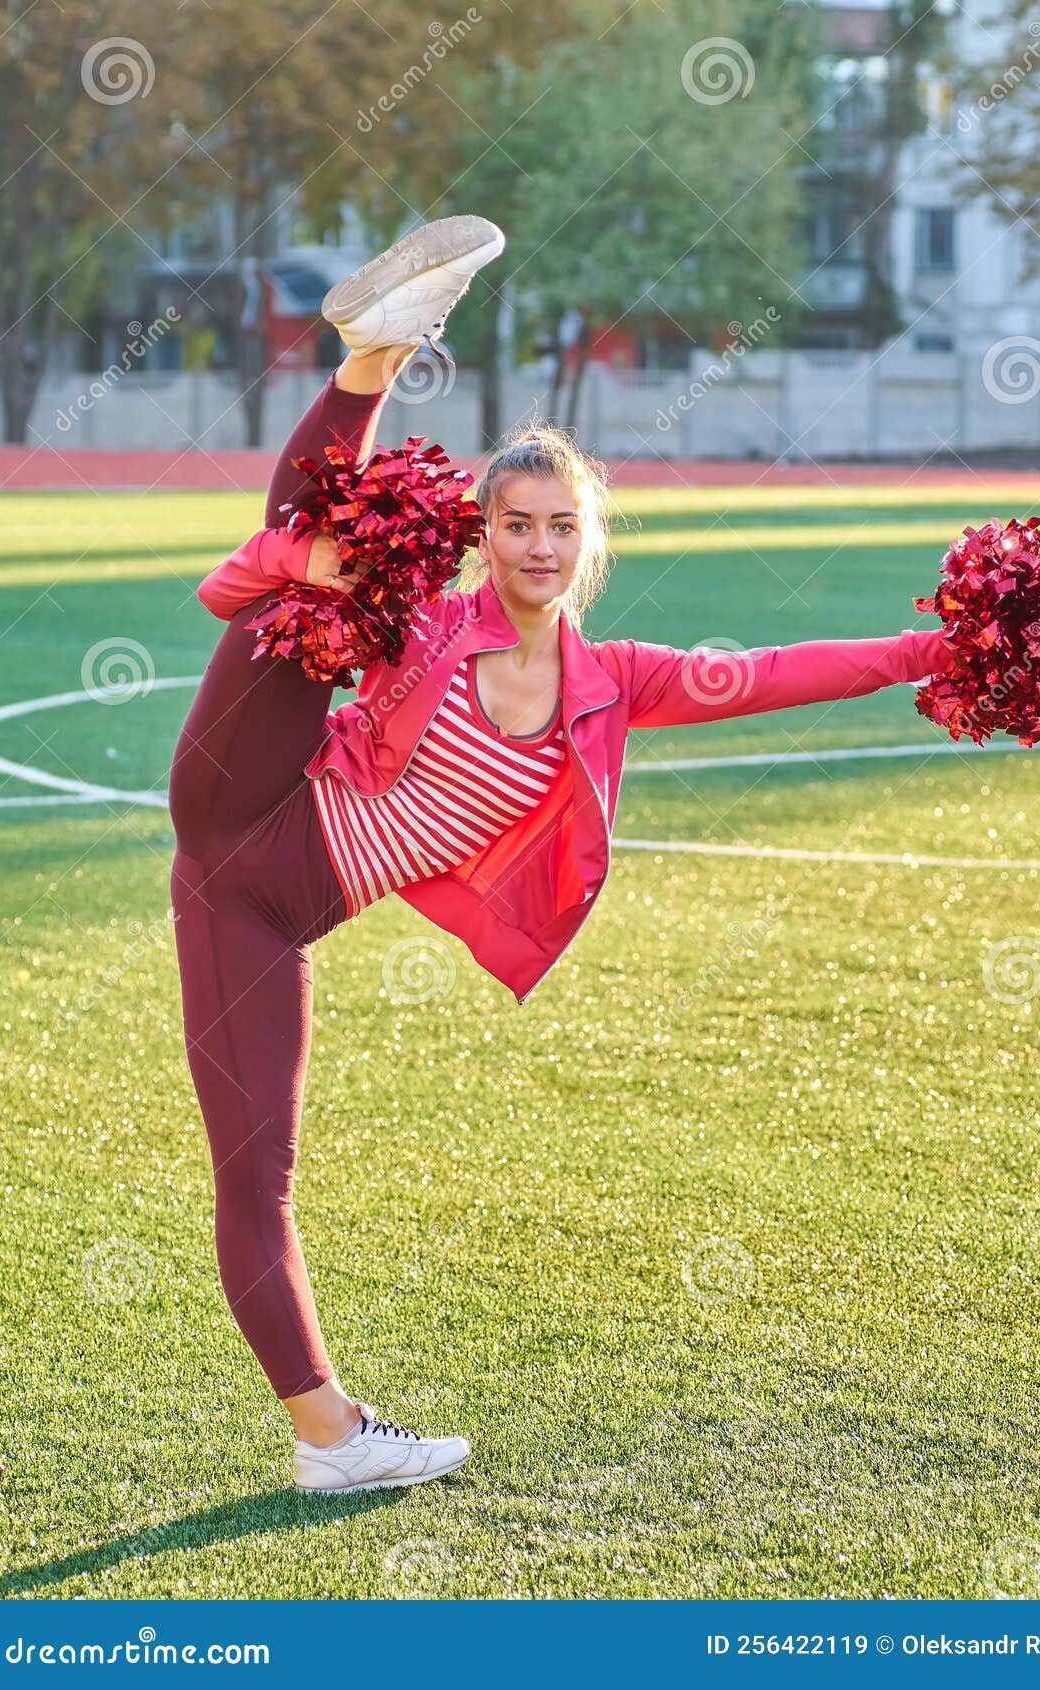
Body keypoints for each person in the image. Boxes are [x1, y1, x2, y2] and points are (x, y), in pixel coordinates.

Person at [167, 214, 954, 1497]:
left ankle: (327, 1440)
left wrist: (933, 650)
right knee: (328, 562)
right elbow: (295, 562)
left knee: (259, 1176)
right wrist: (317, 555)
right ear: (483, 535)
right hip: (238, 798)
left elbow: (773, 671)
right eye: (515, 523)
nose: (537, 546)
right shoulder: (427, 623)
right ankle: (369, 360)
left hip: (257, 911)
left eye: (559, 527)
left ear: (589, 542)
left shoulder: (612, 683)